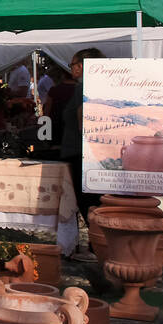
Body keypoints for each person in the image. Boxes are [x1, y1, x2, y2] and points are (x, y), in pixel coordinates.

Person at [59, 48, 104, 234]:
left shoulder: (82, 88)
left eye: (72, 65)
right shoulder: (98, 86)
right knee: (95, 201)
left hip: (81, 152)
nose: (71, 69)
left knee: (88, 201)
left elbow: (82, 121)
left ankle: (98, 241)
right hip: (93, 153)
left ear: (81, 66)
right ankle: (100, 240)